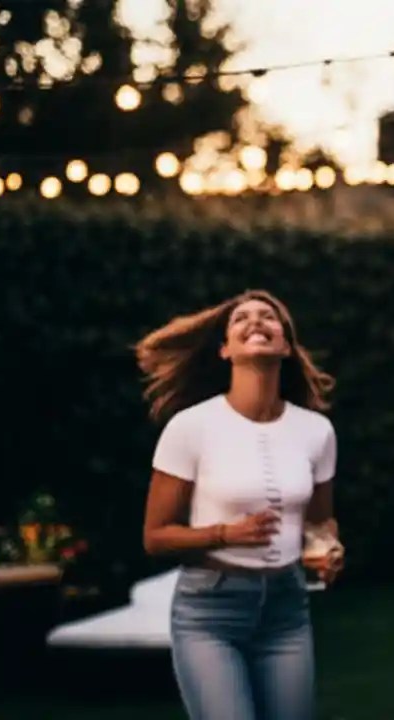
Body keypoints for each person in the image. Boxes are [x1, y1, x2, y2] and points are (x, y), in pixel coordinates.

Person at [137, 290, 342, 720]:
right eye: (240, 319)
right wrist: (226, 534)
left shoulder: (317, 431)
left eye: (268, 317)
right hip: (210, 613)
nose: (255, 321)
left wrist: (327, 550)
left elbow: (320, 522)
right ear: (225, 350)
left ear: (285, 345)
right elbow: (155, 537)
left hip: (287, 610)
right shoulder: (190, 427)